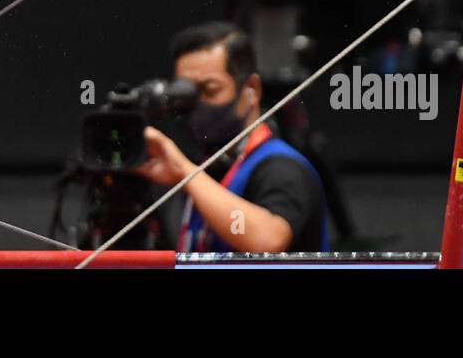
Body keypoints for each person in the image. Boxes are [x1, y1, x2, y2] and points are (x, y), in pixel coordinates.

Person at [136, 21, 327, 253]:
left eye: (210, 90)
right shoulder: (207, 169)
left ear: (252, 90)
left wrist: (184, 171)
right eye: (186, 93)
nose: (196, 104)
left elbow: (268, 242)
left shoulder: (282, 167)